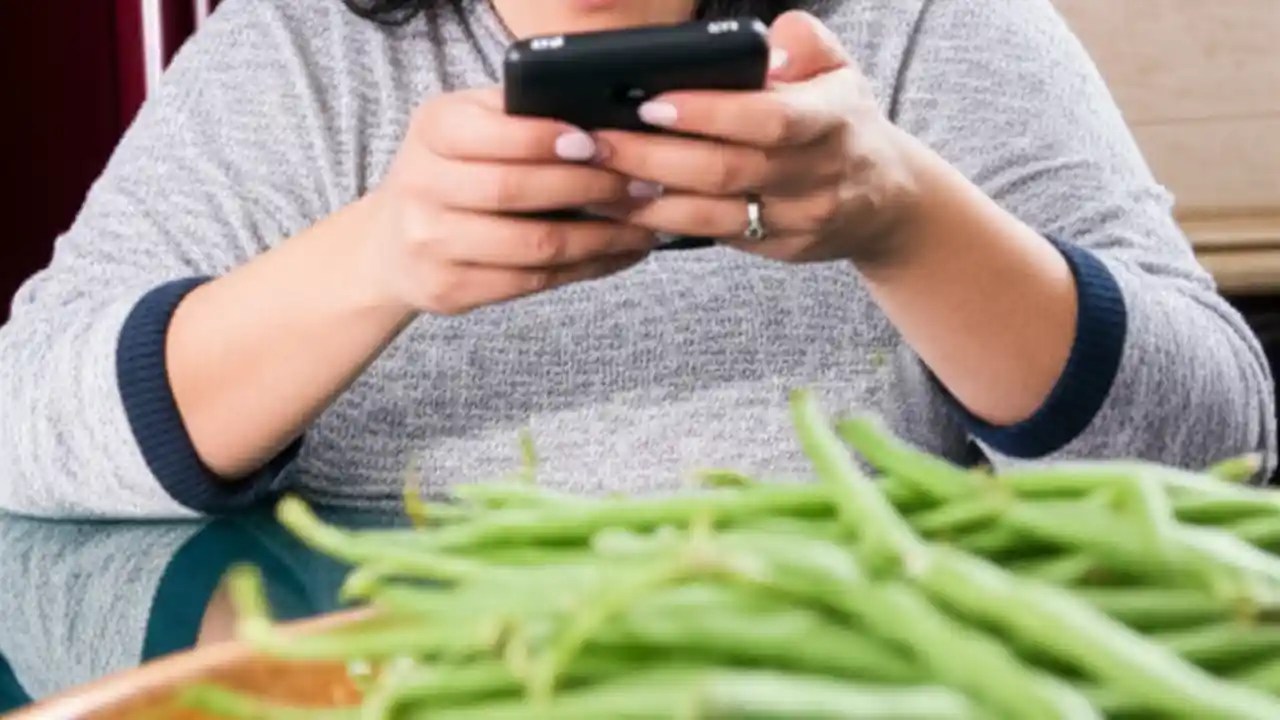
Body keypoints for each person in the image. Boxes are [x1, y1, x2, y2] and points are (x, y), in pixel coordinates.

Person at [0, 0, 1273, 519]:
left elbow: (1218, 438)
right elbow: (25, 419)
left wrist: (908, 221)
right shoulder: (290, 53)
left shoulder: (936, 22)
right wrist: (378, 258)